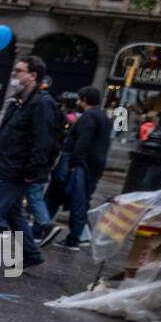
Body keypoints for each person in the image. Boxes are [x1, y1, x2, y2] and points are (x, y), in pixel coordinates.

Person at [0, 56, 59, 269]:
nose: (15, 74)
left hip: (17, 169)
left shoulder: (42, 103)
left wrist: (33, 169)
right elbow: (5, 132)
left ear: (33, 75)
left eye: (19, 71)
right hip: (7, 164)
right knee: (14, 215)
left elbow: (43, 140)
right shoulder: (18, 101)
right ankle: (31, 253)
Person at [48, 86, 112, 252]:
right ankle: (70, 235)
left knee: (73, 200)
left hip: (81, 165)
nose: (77, 102)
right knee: (78, 200)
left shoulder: (88, 117)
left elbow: (82, 142)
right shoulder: (104, 117)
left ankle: (72, 238)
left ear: (84, 100)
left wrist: (73, 163)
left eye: (79, 99)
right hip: (94, 166)